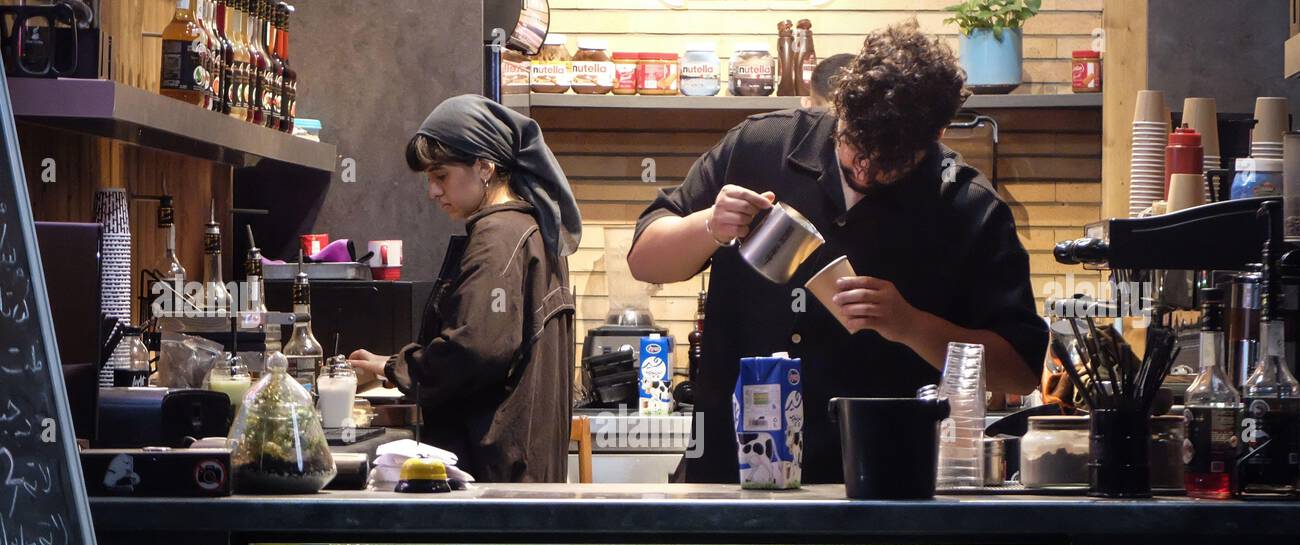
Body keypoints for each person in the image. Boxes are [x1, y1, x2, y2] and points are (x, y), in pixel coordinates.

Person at [628, 22, 1048, 484]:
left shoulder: (968, 208)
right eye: (854, 145)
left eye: (889, 161)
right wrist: (708, 225)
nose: (863, 169)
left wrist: (910, 325)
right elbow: (644, 261)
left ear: (938, 134)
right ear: (840, 105)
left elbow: (1019, 373)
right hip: (730, 479)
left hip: (880, 487)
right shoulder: (760, 147)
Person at [348, 94, 581, 482]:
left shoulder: (497, 237)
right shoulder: (530, 227)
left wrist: (394, 368)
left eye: (441, 176)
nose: (433, 192)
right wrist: (394, 366)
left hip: (489, 478)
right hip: (521, 474)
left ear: (485, 166)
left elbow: (475, 348)